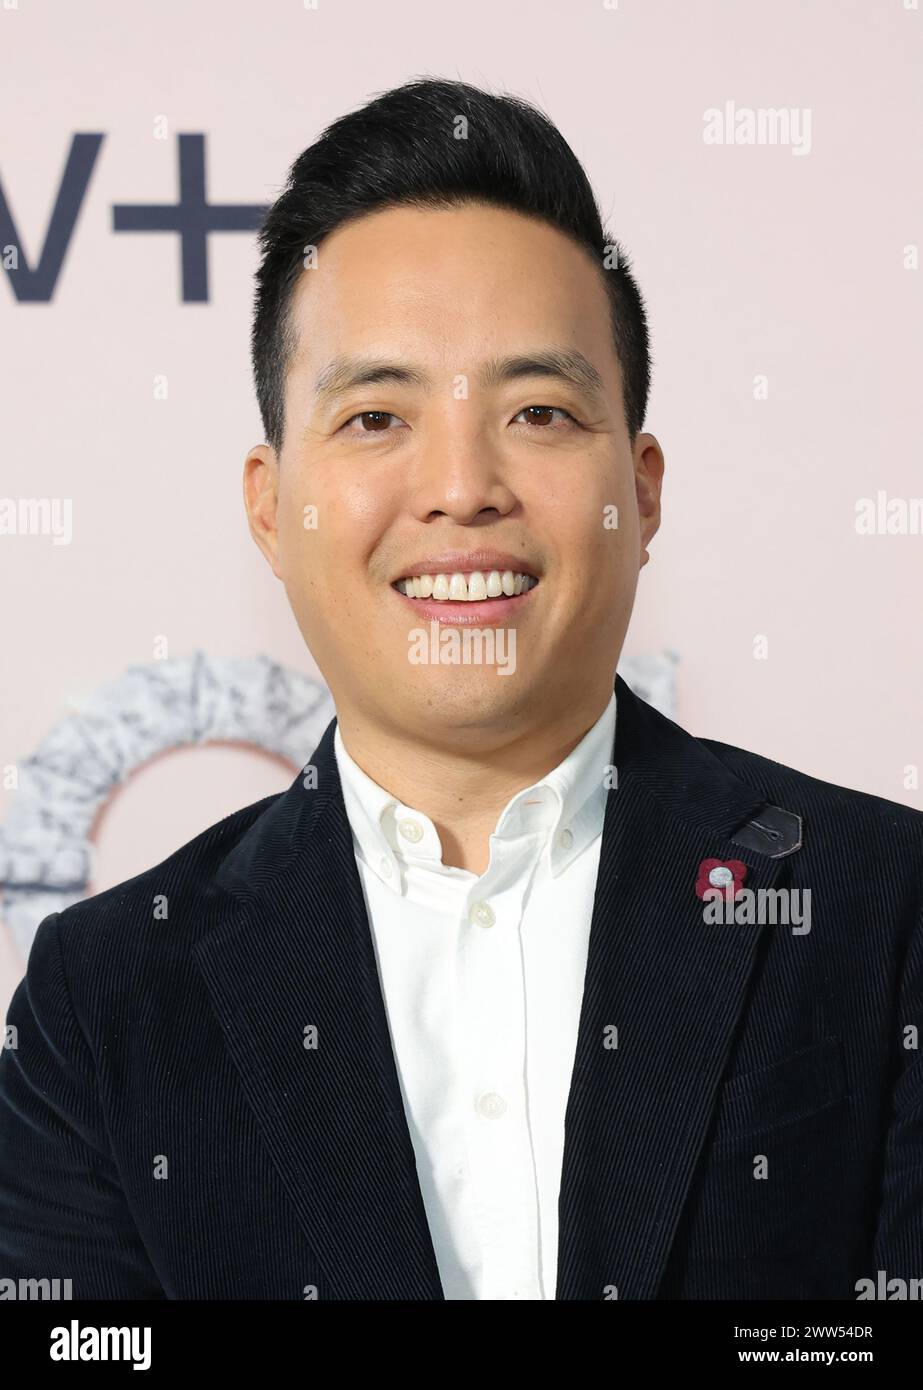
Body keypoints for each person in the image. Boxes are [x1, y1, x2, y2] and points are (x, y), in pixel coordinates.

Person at [0, 77, 920, 1301]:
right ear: (271, 508)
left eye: (535, 411)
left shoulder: (879, 908)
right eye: (376, 415)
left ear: (640, 493)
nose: (460, 486)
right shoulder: (102, 999)